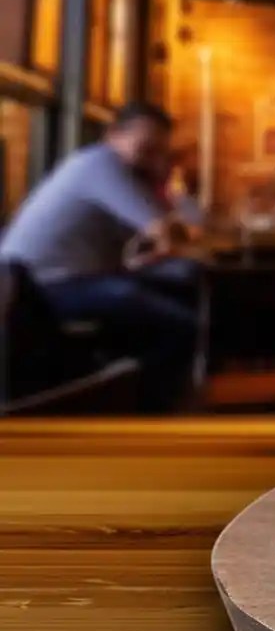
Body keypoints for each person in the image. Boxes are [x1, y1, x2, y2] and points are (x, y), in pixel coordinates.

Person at [0, 102, 198, 411]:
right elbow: (165, 230)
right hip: (36, 289)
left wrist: (163, 183)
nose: (154, 159)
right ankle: (150, 413)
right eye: (146, 149)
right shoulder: (100, 165)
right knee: (180, 322)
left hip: (62, 280)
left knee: (179, 284)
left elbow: (176, 227)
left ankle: (128, 386)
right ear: (112, 136)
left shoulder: (119, 171)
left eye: (161, 152)